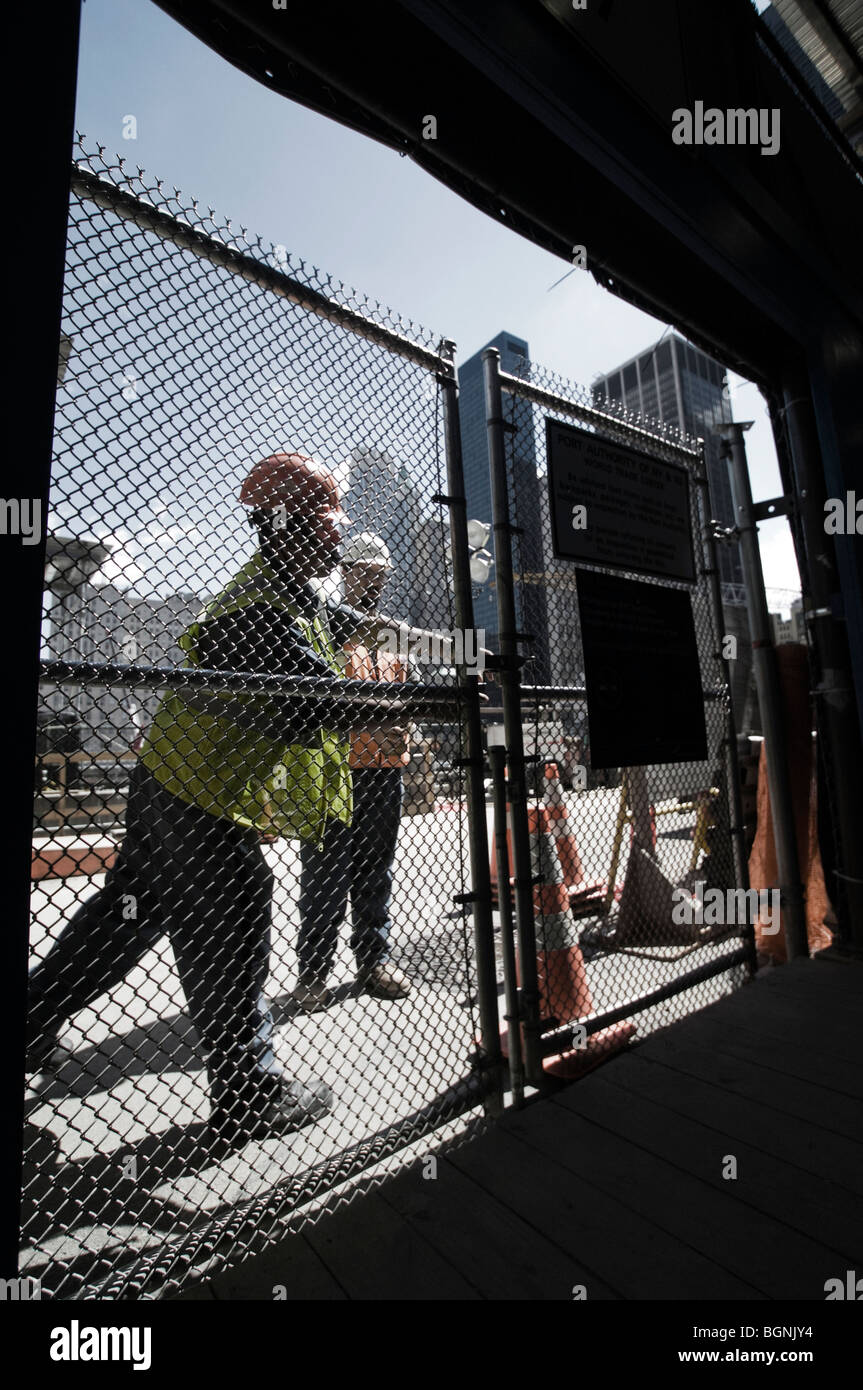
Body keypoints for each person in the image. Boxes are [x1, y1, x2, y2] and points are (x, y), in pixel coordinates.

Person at [26, 451, 376, 1148]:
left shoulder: (283, 592)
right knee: (235, 919)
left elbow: (342, 623)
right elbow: (327, 702)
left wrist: (427, 641)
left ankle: (28, 1021)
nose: (335, 541)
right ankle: (249, 1093)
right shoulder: (254, 615)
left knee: (124, 921)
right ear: (284, 527)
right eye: (324, 527)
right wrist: (437, 699)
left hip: (170, 788)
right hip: (198, 799)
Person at [293, 533, 413, 1010]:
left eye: (379, 574)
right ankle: (314, 972)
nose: (373, 580)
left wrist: (404, 723)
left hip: (386, 772)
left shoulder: (393, 635)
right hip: (335, 773)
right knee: (324, 875)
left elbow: (412, 693)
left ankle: (374, 960)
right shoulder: (329, 627)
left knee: (375, 872)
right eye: (364, 571)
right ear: (345, 573)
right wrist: (378, 720)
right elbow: (319, 701)